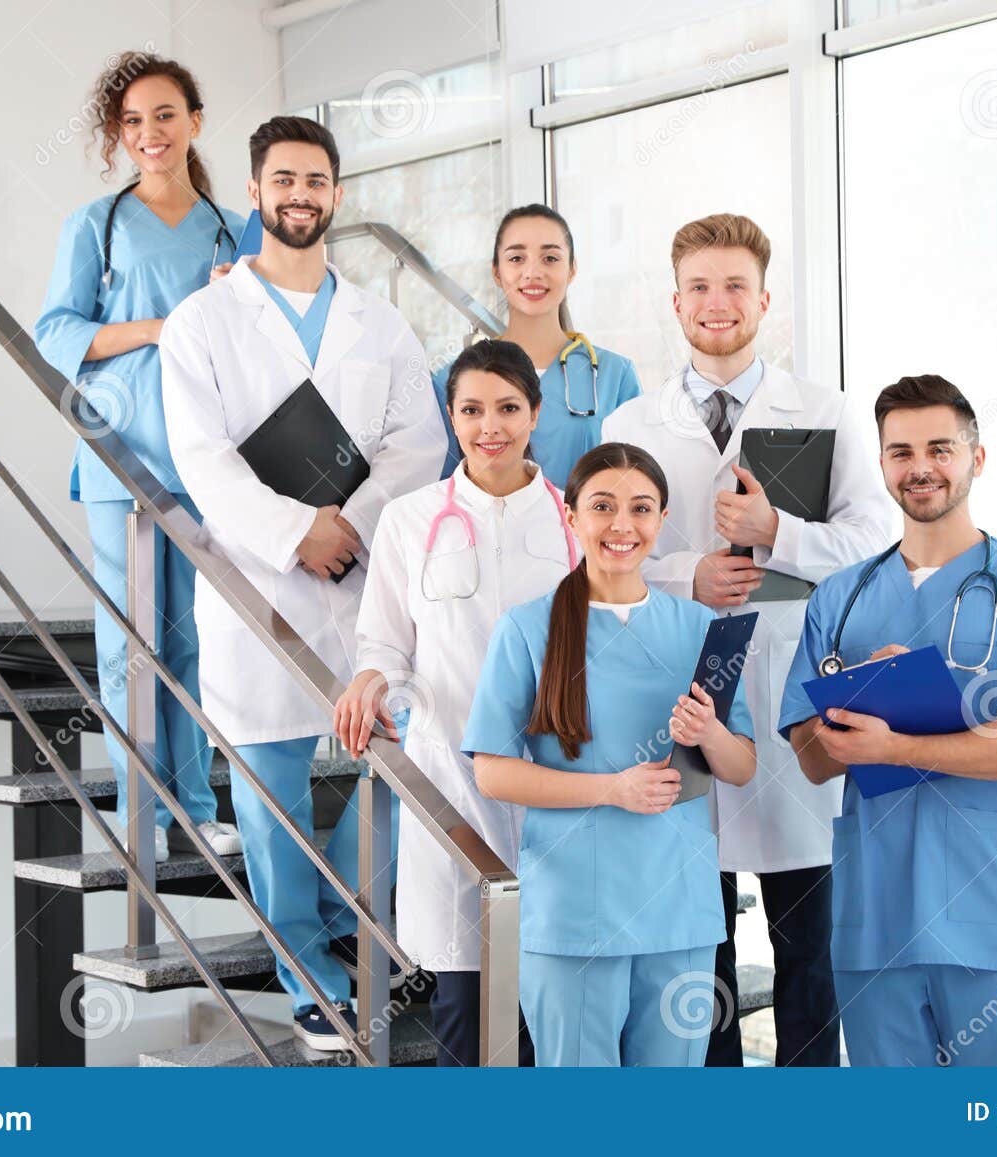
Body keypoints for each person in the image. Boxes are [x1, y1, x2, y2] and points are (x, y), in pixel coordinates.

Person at [159, 115, 446, 1051]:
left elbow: (419, 441)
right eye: (282, 179)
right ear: (253, 191)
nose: (299, 195)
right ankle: (312, 983)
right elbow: (201, 460)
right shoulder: (201, 323)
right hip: (261, 587)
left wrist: (350, 526)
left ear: (336, 194)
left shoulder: (379, 320)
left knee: (384, 777)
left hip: (362, 579)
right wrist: (297, 533)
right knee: (273, 788)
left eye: (316, 180)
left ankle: (361, 941)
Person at [599, 214, 893, 1065]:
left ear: (765, 299)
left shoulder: (825, 411)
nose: (716, 303)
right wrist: (686, 571)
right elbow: (600, 550)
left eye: (734, 286)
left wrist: (780, 531)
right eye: (699, 286)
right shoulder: (632, 419)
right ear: (675, 301)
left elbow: (874, 539)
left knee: (810, 953)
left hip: (794, 693)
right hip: (681, 700)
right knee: (701, 955)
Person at [779, 374, 997, 1067]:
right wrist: (860, 711)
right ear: (884, 466)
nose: (919, 467)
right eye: (899, 452)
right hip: (877, 925)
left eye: (938, 448)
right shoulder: (841, 597)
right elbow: (809, 753)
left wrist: (896, 743)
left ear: (975, 459)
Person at [462, 443, 757, 1067]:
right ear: (571, 517)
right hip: (575, 912)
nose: (622, 525)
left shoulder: (702, 628)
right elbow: (491, 770)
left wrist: (709, 733)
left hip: (679, 911)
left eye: (640, 508)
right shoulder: (527, 629)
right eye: (602, 507)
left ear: (661, 519)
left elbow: (742, 766)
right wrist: (611, 790)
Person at [333, 338, 576, 1066]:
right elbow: (382, 639)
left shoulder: (574, 519)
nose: (489, 425)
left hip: (554, 781)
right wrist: (371, 678)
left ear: (536, 413)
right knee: (463, 1012)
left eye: (507, 407)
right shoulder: (410, 519)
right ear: (450, 415)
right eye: (471, 409)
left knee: (552, 1008)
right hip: (451, 783)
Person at [35, 52, 244, 864]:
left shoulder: (233, 229)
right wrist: (165, 327)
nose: (150, 133)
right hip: (122, 460)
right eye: (133, 122)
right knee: (130, 644)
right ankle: (142, 816)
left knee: (194, 641)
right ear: (118, 136)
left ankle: (195, 805)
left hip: (205, 466)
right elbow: (56, 334)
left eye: (165, 115)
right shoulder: (96, 225)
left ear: (195, 120)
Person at [432, 206, 641, 488]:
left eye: (550, 258)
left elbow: (634, 484)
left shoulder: (615, 375)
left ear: (572, 270)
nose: (532, 272)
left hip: (580, 533)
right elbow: (442, 487)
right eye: (516, 258)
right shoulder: (450, 379)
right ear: (496, 271)